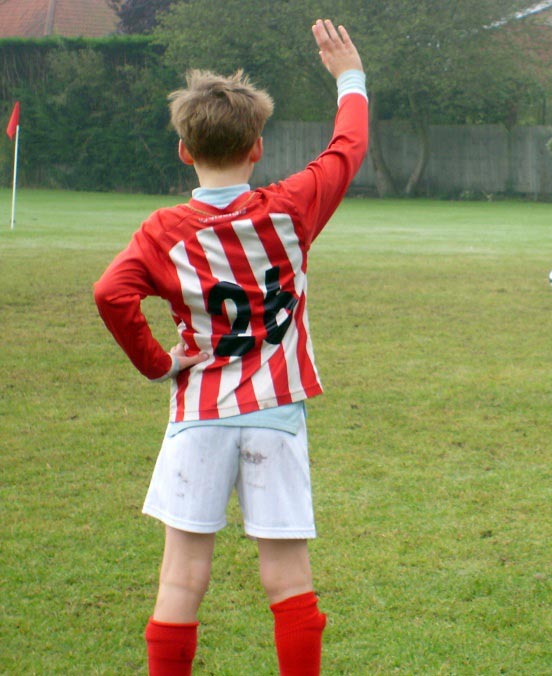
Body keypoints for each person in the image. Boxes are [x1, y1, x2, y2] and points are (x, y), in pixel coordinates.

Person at [93, 20, 367, 676]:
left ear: (185, 152)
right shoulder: (291, 209)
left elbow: (110, 294)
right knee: (288, 579)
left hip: (200, 417)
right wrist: (349, 77)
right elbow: (348, 146)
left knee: (182, 580)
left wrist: (160, 363)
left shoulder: (162, 232)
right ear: (258, 148)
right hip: (276, 413)